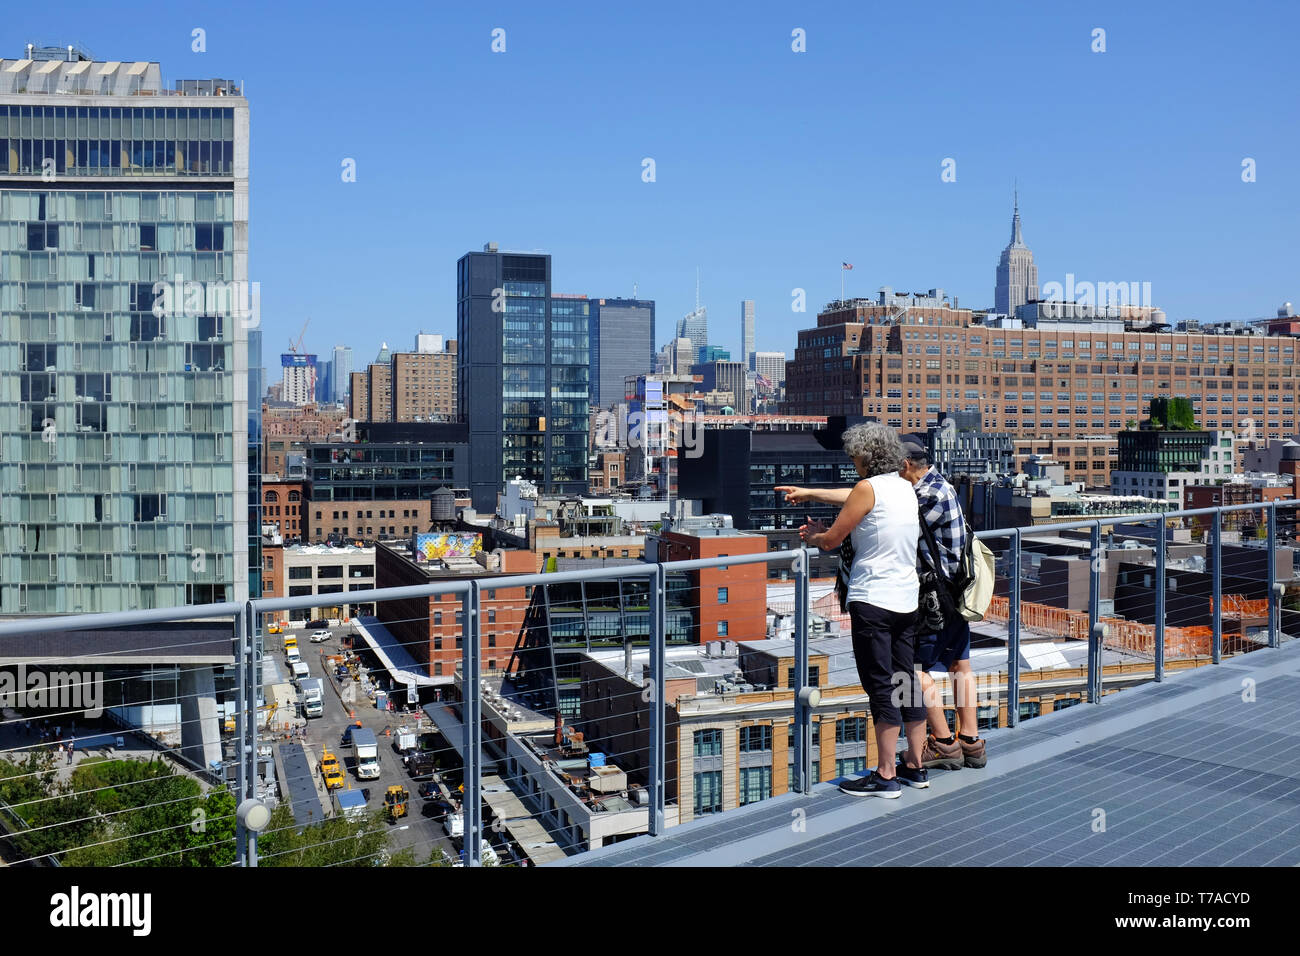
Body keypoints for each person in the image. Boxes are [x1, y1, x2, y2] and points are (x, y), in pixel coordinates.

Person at [797, 422, 928, 798]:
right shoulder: (906, 487)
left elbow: (832, 541)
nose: (853, 463)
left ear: (866, 456)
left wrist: (813, 536)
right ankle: (915, 766)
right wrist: (813, 495)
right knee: (906, 680)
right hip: (907, 599)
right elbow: (861, 505)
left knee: (880, 685)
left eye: (855, 457)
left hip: (874, 600)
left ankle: (886, 776)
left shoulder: (867, 487)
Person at [900, 441, 986, 771]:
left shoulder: (924, 496)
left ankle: (944, 742)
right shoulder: (942, 484)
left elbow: (879, 511)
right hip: (955, 591)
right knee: (960, 665)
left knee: (911, 670)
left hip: (933, 597)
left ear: (906, 465)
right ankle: (971, 742)